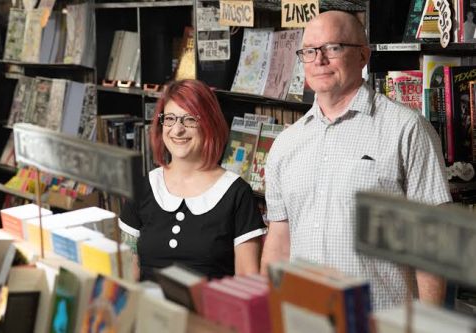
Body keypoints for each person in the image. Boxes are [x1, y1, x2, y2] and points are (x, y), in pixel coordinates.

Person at [260, 11, 451, 310]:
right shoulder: (286, 143)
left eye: (333, 48)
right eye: (309, 51)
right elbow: (279, 241)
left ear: (363, 55)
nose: (319, 60)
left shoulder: (406, 129)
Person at [119, 79, 266, 281]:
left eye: (189, 120)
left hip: (209, 312)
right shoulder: (142, 187)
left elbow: (247, 282)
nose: (177, 130)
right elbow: (128, 271)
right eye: (169, 119)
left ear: (209, 123)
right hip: (148, 310)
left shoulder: (237, 194)